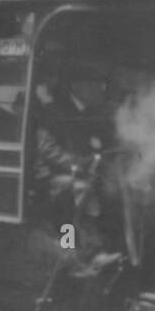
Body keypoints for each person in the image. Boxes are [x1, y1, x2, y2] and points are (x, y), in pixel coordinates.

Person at [33, 64, 122, 277]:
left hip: (75, 171)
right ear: (78, 86)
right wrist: (82, 164)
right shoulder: (55, 111)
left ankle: (110, 244)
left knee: (111, 187)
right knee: (81, 189)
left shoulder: (89, 112)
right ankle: (81, 252)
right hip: (48, 175)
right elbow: (48, 150)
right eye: (95, 85)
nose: (100, 90)